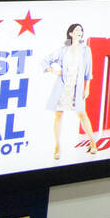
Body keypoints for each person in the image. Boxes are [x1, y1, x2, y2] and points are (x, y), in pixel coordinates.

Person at [44, 23, 99, 160]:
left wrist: (87, 88)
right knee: (58, 115)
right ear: (70, 33)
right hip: (63, 87)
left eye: (81, 30)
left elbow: (89, 72)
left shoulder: (86, 50)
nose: (80, 32)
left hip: (77, 87)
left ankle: (93, 142)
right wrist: (53, 71)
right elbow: (46, 61)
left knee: (82, 114)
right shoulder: (63, 50)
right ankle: (57, 146)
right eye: (77, 30)